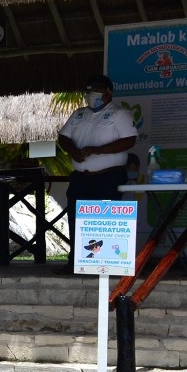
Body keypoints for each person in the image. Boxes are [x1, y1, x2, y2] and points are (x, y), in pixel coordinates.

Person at [57, 74, 137, 270]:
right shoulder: (78, 114)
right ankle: (75, 262)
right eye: (89, 90)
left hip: (108, 177)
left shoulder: (120, 114)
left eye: (97, 89)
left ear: (108, 92)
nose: (91, 94)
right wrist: (73, 150)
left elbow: (129, 140)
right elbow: (63, 137)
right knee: (77, 220)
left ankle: (104, 265)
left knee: (104, 221)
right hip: (81, 177)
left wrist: (98, 149)